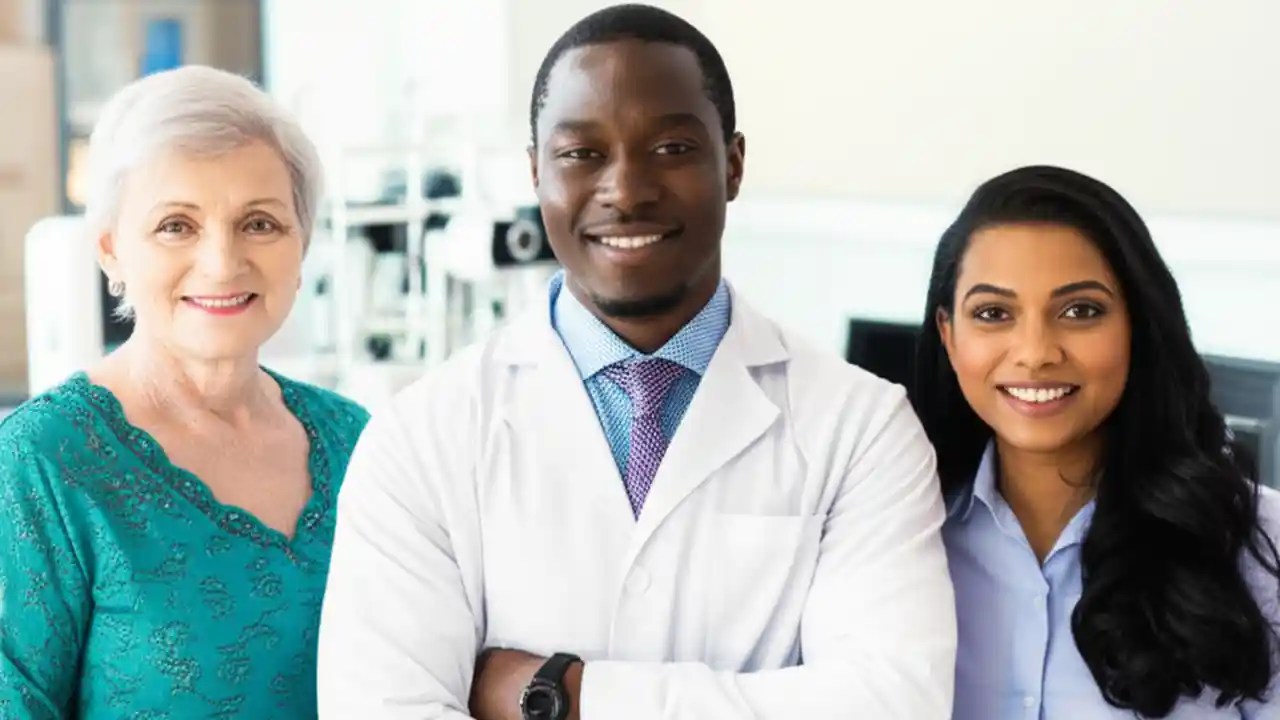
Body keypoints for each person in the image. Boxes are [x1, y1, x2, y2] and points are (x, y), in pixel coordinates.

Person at [317, 4, 955, 719]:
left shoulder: (861, 427)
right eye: (581, 154)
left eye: (672, 148)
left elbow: (893, 704)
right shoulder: (421, 436)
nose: (625, 190)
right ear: (535, 173)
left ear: (734, 164)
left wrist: (557, 694)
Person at [0, 65, 369, 718]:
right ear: (112, 249)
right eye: (177, 225)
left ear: (302, 242)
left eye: (260, 223)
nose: (223, 262)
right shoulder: (41, 461)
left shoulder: (357, 442)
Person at [911, 164, 1280, 718]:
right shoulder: (895, 532)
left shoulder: (1254, 543)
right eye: (993, 313)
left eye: (1080, 311)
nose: (1035, 352)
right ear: (948, 334)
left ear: (1138, 323)